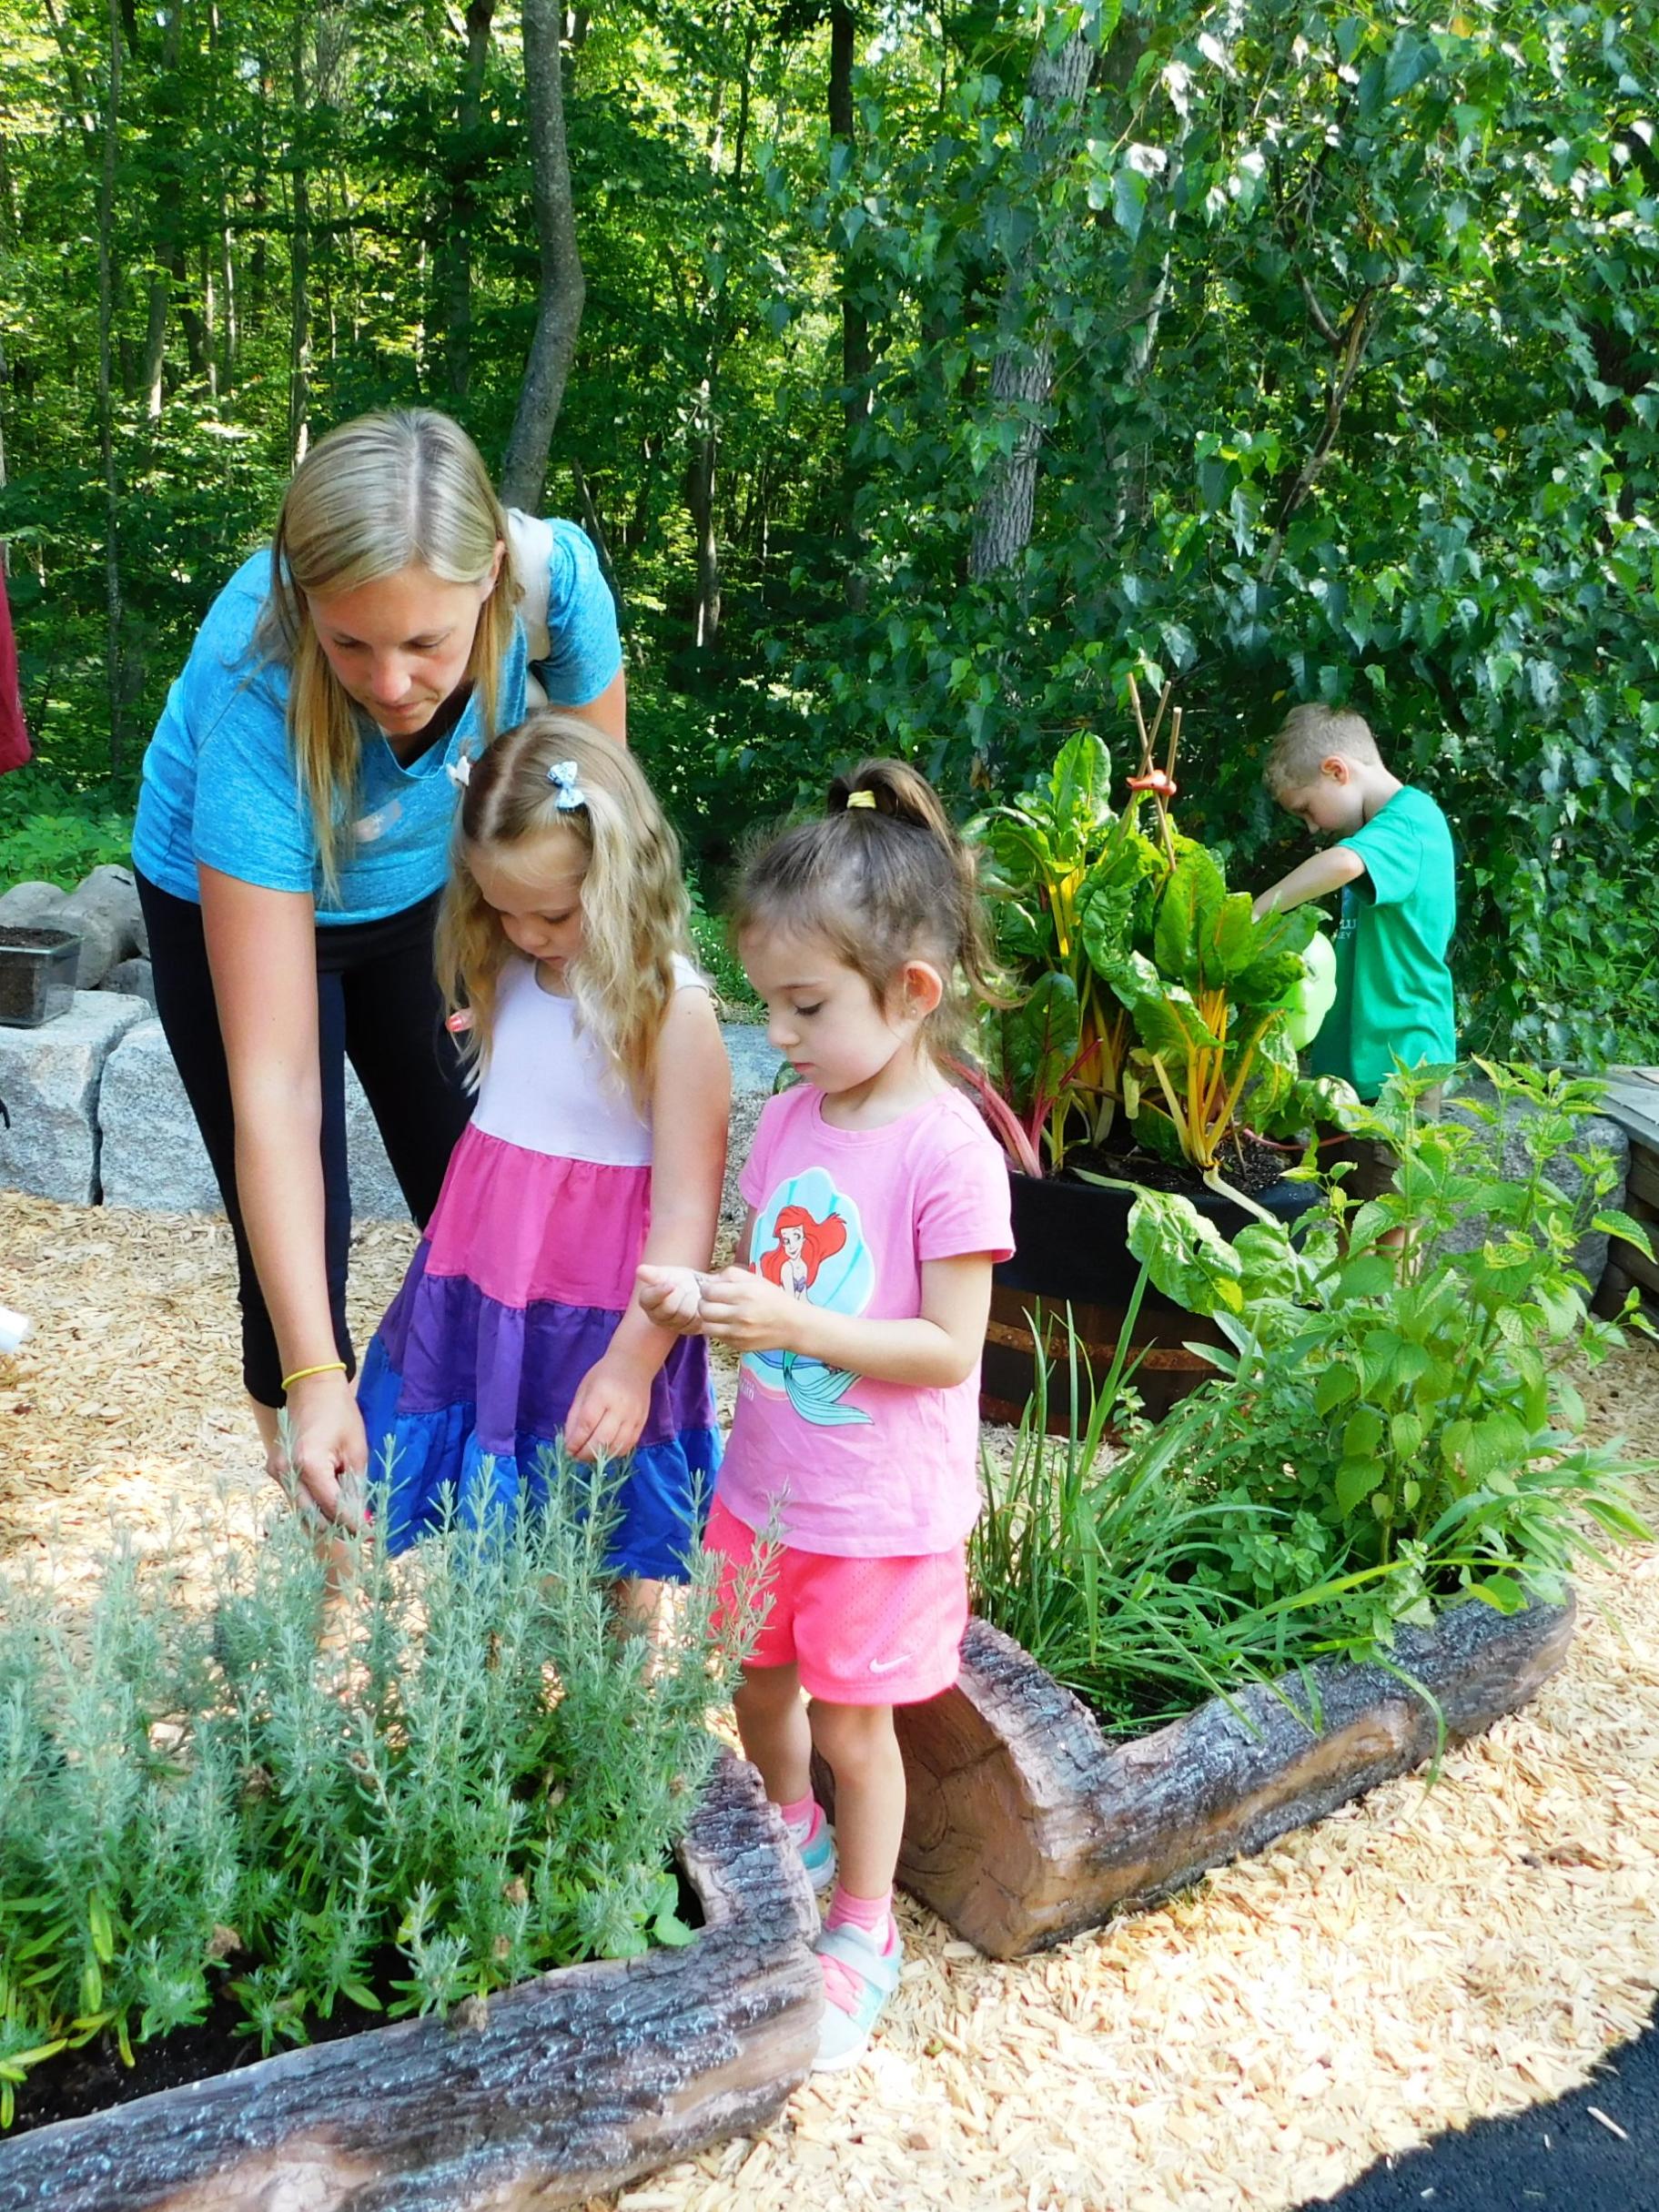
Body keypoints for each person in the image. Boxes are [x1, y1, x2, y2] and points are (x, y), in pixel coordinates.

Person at [130, 409, 625, 1526]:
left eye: (427, 646)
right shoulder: (252, 702)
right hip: (227, 896)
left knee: (491, 1166)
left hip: (420, 894)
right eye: (352, 644)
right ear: (304, 603)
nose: (393, 682)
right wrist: (316, 1381)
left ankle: (533, 1489)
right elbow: (278, 1095)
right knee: (301, 1218)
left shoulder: (556, 586)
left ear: (492, 578)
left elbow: (591, 857)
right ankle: (323, 1516)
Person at [638, 761, 1013, 2072]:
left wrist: (786, 1324)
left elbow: (946, 1347)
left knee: (858, 1722)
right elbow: (779, 1267)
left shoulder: (947, 1148)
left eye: (804, 1005)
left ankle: (865, 1924)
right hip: (770, 1483)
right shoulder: (794, 1112)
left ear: (909, 993)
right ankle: (792, 1834)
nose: (776, 1033)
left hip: (877, 1511)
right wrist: (708, 1298)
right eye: (766, 1004)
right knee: (754, 1676)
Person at [357, 715, 729, 1591]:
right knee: (492, 1547)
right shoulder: (510, 970)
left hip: (600, 1319)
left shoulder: (674, 1012)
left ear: (620, 878)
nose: (524, 932)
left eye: (553, 913)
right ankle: (494, 1704)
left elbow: (686, 1214)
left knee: (604, 1548)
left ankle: (621, 1724)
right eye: (500, 908)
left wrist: (634, 1365)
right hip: (487, 1291)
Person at [1252, 702, 1457, 1197]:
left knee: (1388, 1232)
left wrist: (1256, 911)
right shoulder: (1380, 838)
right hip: (1346, 1067)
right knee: (1345, 1218)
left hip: (1399, 1068)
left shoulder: (1411, 821)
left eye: (1306, 808)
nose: (1312, 828)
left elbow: (1342, 863)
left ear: (1337, 770)